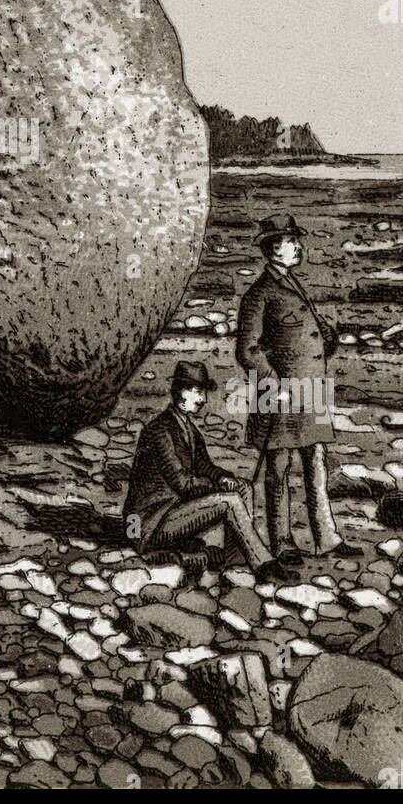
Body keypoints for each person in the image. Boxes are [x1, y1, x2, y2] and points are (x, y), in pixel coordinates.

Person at [236, 214, 361, 567]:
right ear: (274, 248)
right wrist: (274, 386)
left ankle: (327, 537)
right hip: (279, 393)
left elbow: (306, 338)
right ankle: (282, 542)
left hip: (310, 389)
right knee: (278, 468)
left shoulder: (292, 284)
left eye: (295, 240)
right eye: (292, 241)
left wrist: (328, 338)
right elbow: (248, 350)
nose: (298, 246)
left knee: (316, 462)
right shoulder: (259, 294)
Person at [123, 359, 299, 582]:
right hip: (148, 525)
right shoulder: (159, 431)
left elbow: (205, 466)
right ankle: (265, 566)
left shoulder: (189, 429)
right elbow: (183, 484)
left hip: (172, 512)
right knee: (228, 501)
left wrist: (222, 477)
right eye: (196, 391)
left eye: (203, 392)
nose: (203, 399)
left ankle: (236, 564)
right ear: (179, 391)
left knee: (243, 487)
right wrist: (218, 486)